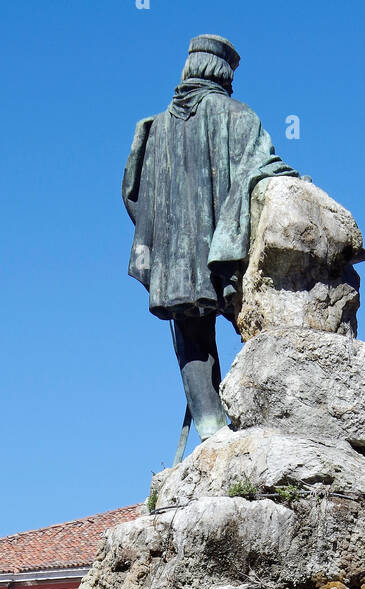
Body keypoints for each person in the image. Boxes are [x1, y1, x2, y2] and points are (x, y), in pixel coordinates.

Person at [122, 34, 298, 441]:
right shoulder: (238, 115)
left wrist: (166, 242)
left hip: (172, 263)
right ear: (223, 73)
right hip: (226, 259)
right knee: (256, 325)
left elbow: (131, 194)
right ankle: (262, 420)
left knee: (189, 333)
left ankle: (211, 429)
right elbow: (265, 168)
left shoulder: (154, 129)